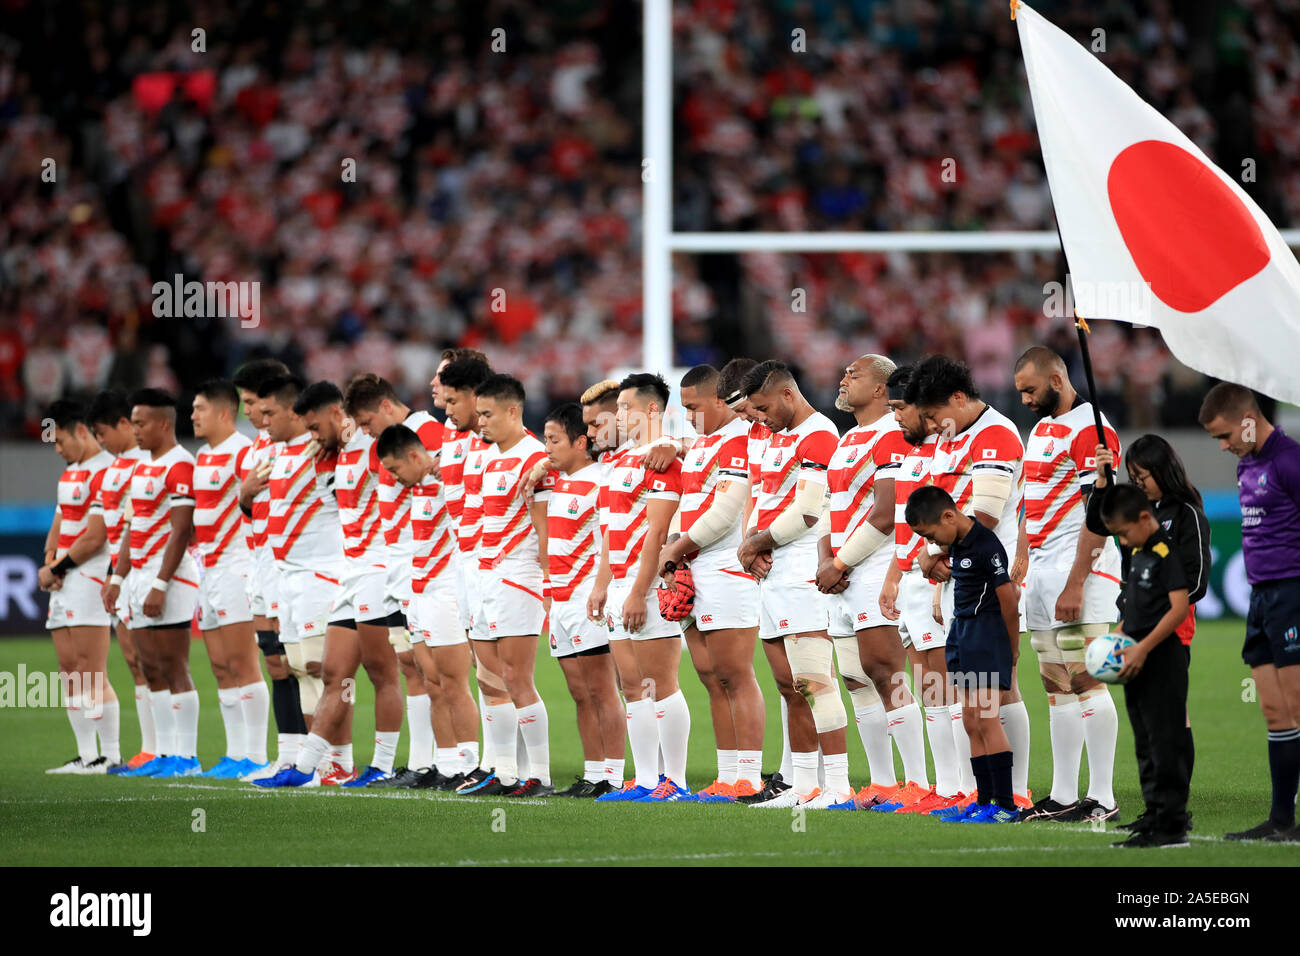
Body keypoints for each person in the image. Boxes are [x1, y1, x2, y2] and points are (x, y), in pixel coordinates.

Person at [908, 355, 1032, 809]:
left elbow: (984, 515)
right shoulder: (952, 437)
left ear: (959, 398)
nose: (930, 425)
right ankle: (982, 794)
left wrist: (935, 556)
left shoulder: (994, 434)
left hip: (989, 579)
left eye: (933, 414)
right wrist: (929, 562)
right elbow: (936, 513)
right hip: (959, 579)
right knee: (971, 700)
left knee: (1001, 690)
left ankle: (1014, 792)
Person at [1012, 346, 1123, 824]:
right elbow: (1030, 500)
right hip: (1042, 572)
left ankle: (1103, 797)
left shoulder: (1093, 431)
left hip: (1081, 572)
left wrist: (1076, 582)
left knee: (1086, 678)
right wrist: (1021, 556)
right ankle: (1062, 795)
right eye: (1020, 392)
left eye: (1030, 390)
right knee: (1056, 684)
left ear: (1057, 380)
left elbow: (1101, 512)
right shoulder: (1040, 429)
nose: (1025, 400)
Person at [818, 354, 932, 813]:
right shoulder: (847, 438)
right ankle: (882, 783)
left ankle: (918, 782)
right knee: (855, 678)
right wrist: (825, 559)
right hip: (840, 574)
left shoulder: (891, 434)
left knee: (886, 672)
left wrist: (839, 562)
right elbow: (830, 508)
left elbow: (886, 515)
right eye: (844, 372)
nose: (844, 378)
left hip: (872, 567)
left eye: (855, 374)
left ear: (881, 389)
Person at [736, 361, 850, 809]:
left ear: (787, 394)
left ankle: (838, 786)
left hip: (802, 569)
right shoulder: (775, 437)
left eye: (764, 408)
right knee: (789, 686)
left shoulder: (818, 433)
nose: (759, 417)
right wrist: (752, 547)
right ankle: (802, 786)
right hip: (771, 572)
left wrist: (755, 543)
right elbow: (764, 499)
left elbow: (807, 510)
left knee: (814, 681)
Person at [1087, 433, 1210, 837]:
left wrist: (1151, 607)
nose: (1139, 485)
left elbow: (1195, 582)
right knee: (1149, 727)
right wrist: (1102, 479)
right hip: (1136, 623)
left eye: (1144, 478)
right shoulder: (1136, 513)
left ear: (1163, 470)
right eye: (1134, 479)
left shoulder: (1185, 513)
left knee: (1171, 719)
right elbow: (1097, 523)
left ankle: (1175, 809)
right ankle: (1159, 809)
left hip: (1170, 625)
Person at [658, 365, 765, 802]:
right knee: (710, 677)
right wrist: (674, 548)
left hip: (726, 568)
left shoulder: (740, 439)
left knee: (734, 674)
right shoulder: (703, 444)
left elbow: (725, 513)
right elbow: (691, 503)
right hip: (694, 567)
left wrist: (674, 549)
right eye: (683, 409)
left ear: (720, 400)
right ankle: (727, 775)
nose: (688, 417)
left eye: (694, 407)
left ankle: (750, 777)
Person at [1199, 382, 1300, 843]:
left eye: (1224, 436)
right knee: (1275, 712)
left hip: (1292, 593)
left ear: (1248, 419)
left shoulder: (1289, 460)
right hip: (1260, 599)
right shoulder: (1248, 463)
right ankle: (1280, 820)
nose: (1223, 446)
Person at [296, 382, 405, 787]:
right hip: (350, 571)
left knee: (381, 672)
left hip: (379, 568)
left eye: (314, 427)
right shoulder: (333, 455)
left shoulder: (375, 444)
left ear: (336, 414)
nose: (312, 436)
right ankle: (309, 766)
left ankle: (383, 764)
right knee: (334, 673)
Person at [344, 374, 442, 786]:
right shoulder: (384, 445)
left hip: (423, 569)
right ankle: (421, 762)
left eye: (368, 422)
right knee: (408, 665)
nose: (366, 432)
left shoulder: (427, 431)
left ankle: (443, 761)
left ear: (386, 406)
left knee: (432, 669)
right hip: (396, 573)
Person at [881, 364, 968, 814]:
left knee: (949, 687)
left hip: (935, 576)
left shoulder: (944, 449)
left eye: (900, 408)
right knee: (929, 689)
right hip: (910, 578)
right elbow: (905, 524)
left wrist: (936, 585)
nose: (895, 417)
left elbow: (948, 521)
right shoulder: (911, 451)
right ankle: (945, 786)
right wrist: (893, 576)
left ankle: (966, 787)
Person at [905, 485, 1022, 824]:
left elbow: (1009, 600)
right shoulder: (956, 540)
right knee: (970, 721)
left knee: (986, 718)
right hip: (962, 633)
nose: (932, 543)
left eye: (931, 535)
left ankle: (1005, 807)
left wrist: (1012, 647)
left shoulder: (986, 544)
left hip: (986, 635)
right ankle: (983, 801)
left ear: (948, 516)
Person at [463, 373, 556, 797]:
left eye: (487, 414)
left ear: (513, 411)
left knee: (517, 678)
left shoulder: (535, 456)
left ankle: (540, 776)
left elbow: (545, 528)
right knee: (489, 680)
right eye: (479, 414)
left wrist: (549, 581)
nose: (480, 422)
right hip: (484, 576)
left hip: (518, 577)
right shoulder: (487, 458)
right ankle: (503, 773)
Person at [106, 389, 203, 778]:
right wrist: (117, 577)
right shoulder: (142, 467)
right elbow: (133, 527)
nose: (135, 430)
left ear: (164, 424)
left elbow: (181, 531)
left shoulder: (180, 465)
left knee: (174, 666)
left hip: (170, 578)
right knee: (150, 668)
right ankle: (163, 754)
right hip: (139, 576)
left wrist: (161, 584)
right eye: (133, 423)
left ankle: (188, 757)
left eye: (141, 423)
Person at [251, 375, 342, 786]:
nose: (263, 420)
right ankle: (313, 763)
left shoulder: (319, 449)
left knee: (324, 670)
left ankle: (336, 760)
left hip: (318, 574)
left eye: (270, 412)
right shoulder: (277, 454)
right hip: (285, 576)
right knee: (300, 668)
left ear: (293, 412)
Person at [378, 422, 479, 790]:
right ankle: (447, 765)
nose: (394, 478)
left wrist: (447, 468)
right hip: (419, 594)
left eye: (395, 469)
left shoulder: (447, 481)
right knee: (432, 683)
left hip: (445, 592)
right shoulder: (419, 486)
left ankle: (469, 766)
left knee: (454, 683)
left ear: (414, 455)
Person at [1098, 484, 1192, 848]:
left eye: (1123, 533)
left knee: (1166, 744)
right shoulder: (1138, 552)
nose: (1122, 541)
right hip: (1135, 660)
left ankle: (1172, 827)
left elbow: (1178, 609)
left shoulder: (1165, 552)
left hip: (1161, 659)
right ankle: (1154, 817)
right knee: (1145, 743)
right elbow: (1136, 611)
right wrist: (1116, 638)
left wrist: (1143, 648)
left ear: (1142, 518)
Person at [537, 402, 623, 797]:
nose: (547, 448)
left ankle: (613, 776)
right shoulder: (558, 482)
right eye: (545, 440)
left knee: (602, 690)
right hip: (560, 601)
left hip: (588, 598)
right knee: (579, 693)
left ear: (580, 443)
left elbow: (610, 539)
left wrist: (600, 588)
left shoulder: (601, 480)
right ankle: (593, 773)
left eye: (554, 440)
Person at [233, 358, 306, 782]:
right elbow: (253, 509)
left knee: (300, 663)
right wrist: (244, 497)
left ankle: (319, 758)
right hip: (259, 562)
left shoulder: (298, 442)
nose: (248, 412)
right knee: (275, 662)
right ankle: (287, 756)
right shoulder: (257, 445)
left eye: (252, 403)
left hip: (289, 565)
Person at [190, 380, 267, 778]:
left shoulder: (243, 452)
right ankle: (234, 754)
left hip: (237, 566)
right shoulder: (202, 455)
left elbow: (256, 503)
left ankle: (255, 754)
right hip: (207, 569)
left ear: (223, 413)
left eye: (199, 408)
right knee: (220, 666)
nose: (192, 416)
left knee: (243, 662)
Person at [40, 399, 120, 774]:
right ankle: (86, 755)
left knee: (92, 669)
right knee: (69, 669)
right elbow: (59, 521)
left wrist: (57, 567)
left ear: (82, 431)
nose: (56, 449)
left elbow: (96, 538)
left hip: (89, 577)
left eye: (59, 440)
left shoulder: (106, 471)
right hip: (64, 580)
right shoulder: (71, 473)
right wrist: (49, 561)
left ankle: (112, 755)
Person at [88, 389, 156, 772]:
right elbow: (111, 530)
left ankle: (161, 749)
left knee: (151, 662)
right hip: (120, 572)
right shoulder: (111, 470)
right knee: (133, 661)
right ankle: (149, 749)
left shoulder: (146, 464)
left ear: (124, 424)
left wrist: (119, 573)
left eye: (103, 432)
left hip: (140, 570)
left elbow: (137, 524)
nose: (101, 441)